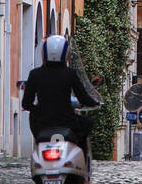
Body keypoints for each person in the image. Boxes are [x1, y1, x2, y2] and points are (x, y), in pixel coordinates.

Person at [22, 35, 101, 163]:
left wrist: (37, 109)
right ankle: (85, 171)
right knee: (84, 132)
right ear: (65, 53)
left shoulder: (35, 74)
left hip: (42, 123)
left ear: (44, 53)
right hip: (66, 121)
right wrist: (94, 103)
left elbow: (26, 104)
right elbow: (83, 97)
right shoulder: (70, 74)